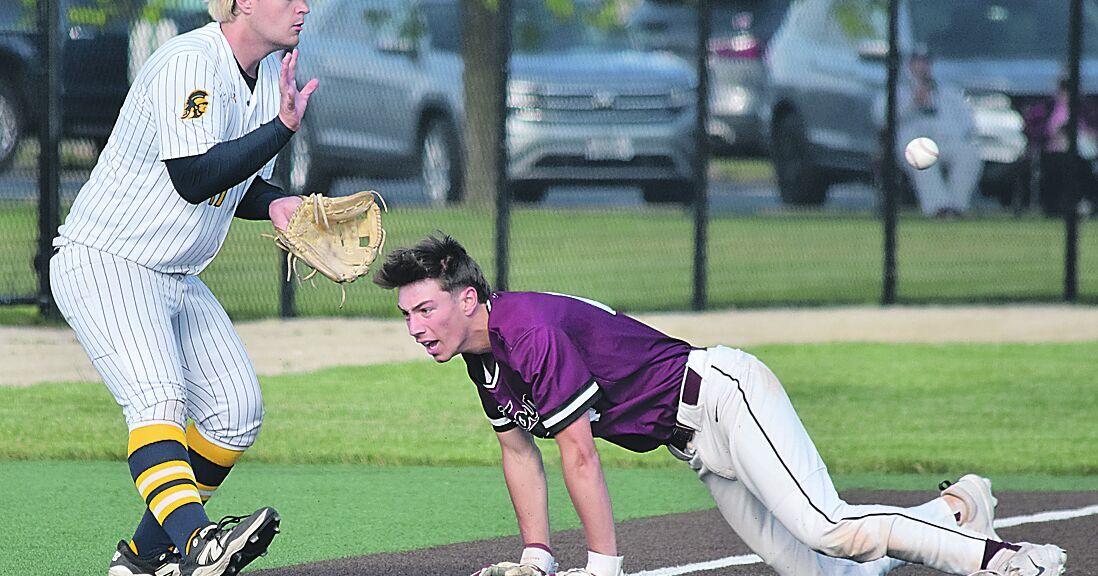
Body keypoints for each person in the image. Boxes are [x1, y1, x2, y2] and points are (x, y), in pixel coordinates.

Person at [373, 234, 1067, 576]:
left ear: (468, 299)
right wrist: (536, 556)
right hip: (695, 438)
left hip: (724, 396)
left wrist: (603, 568)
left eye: (426, 308)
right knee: (829, 570)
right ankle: (956, 509)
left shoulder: (529, 329)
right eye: (408, 315)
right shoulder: (483, 358)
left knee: (829, 526)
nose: (417, 326)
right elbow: (515, 449)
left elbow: (577, 453)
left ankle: (1004, 559)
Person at [48, 0, 318, 574]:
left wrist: (278, 203)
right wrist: (281, 130)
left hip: (174, 272)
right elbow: (193, 176)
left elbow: (232, 181)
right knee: (159, 402)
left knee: (235, 411)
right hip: (109, 261)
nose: (303, 6)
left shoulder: (269, 72)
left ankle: (143, 561)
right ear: (243, 2)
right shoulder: (189, 63)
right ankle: (200, 544)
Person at [893, 49, 983, 219]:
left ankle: (956, 208)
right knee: (922, 157)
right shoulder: (897, 91)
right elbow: (881, 117)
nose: (922, 67)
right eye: (917, 62)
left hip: (946, 140)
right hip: (913, 140)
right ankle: (938, 208)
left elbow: (967, 122)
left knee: (969, 154)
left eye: (926, 62)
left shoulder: (947, 92)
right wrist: (913, 102)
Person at [1023, 76, 1098, 217]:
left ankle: (1085, 202)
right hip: (1053, 154)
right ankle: (1057, 205)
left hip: (1083, 154)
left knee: (1081, 166)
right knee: (1061, 165)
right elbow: (1034, 130)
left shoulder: (1086, 109)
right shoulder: (1046, 109)